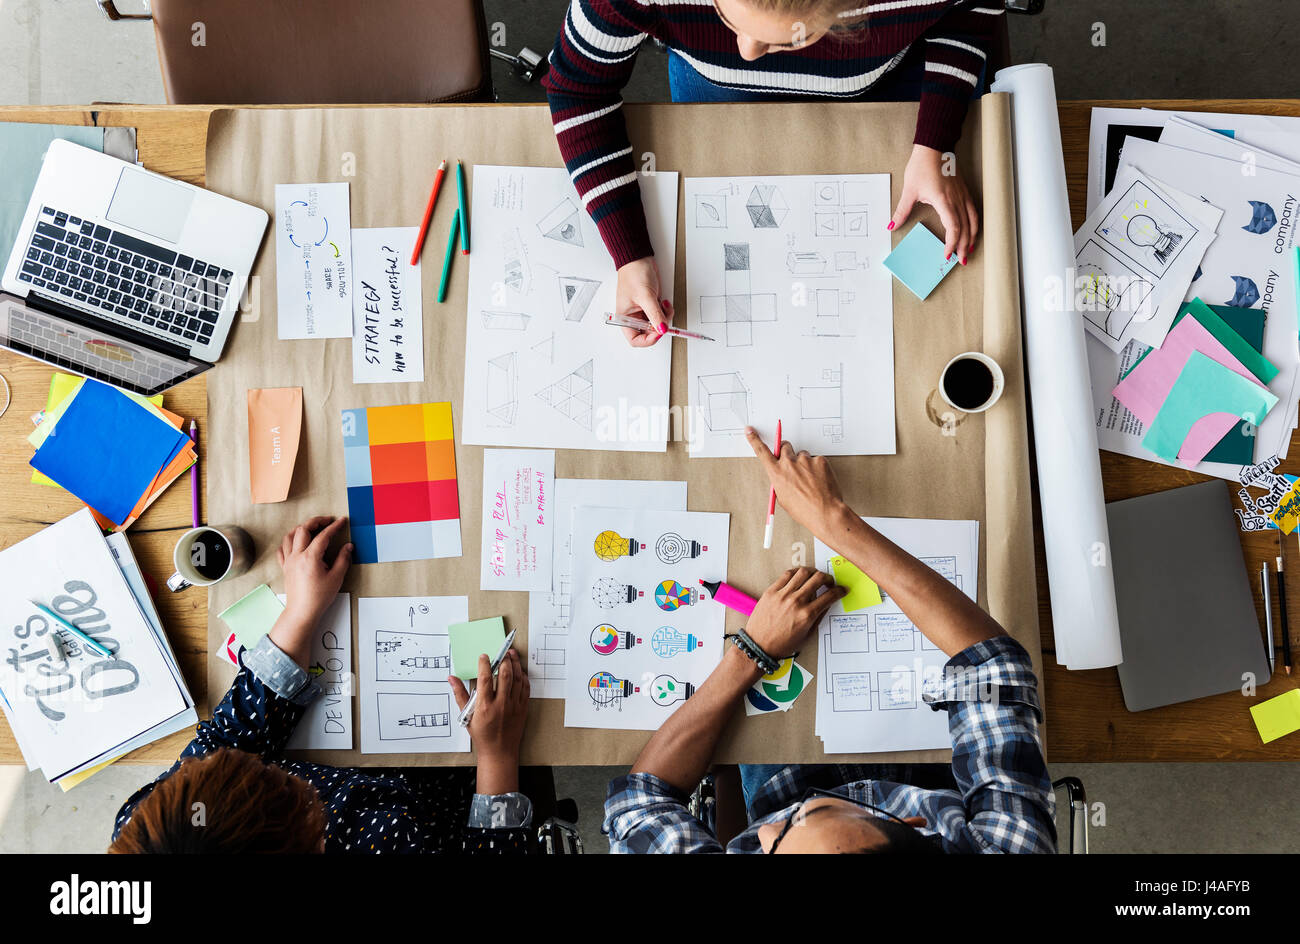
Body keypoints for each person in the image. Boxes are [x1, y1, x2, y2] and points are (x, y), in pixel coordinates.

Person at [603, 430, 1056, 853]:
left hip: (783, 771)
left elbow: (639, 804)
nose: (760, 831)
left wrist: (752, 651)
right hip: (939, 769)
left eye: (772, 846)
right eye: (803, 814)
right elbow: (992, 665)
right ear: (916, 825)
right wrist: (832, 521)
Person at [543, 0, 995, 346]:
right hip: (714, 91)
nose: (747, 52)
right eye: (727, 15)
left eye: (788, 39)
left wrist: (936, 142)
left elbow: (972, 14)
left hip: (886, 83)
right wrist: (629, 252)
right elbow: (577, 87)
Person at [110, 515, 534, 854]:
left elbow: (230, 736)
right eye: (282, 783)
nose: (258, 762)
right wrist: (498, 754)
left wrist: (300, 613)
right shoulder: (390, 839)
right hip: (452, 801)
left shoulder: (148, 827)